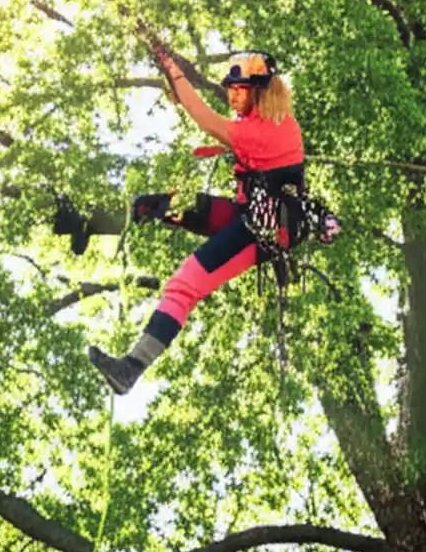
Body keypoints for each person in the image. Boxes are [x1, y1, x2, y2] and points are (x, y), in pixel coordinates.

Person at [87, 48, 314, 395]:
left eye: (238, 90)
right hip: (255, 215)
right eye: (231, 89)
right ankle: (131, 214)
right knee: (175, 206)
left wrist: (173, 72)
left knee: (183, 285)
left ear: (258, 91)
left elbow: (205, 119)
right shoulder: (275, 122)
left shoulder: (258, 132)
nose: (231, 96)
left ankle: (131, 368)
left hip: (262, 230)